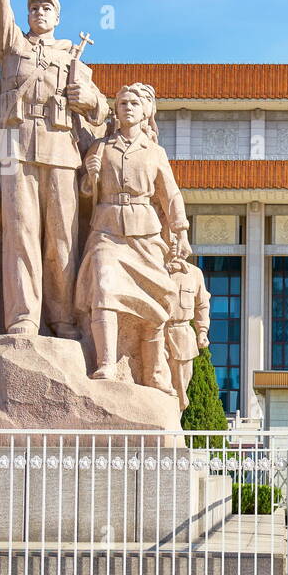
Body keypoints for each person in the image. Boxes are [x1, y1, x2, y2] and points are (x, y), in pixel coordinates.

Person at [0, 0, 108, 340]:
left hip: (60, 150)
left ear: (58, 17)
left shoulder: (72, 56)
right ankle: (24, 318)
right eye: (33, 8)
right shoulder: (12, 46)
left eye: (46, 8)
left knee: (63, 242)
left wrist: (88, 99)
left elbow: (102, 111)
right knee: (20, 236)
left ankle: (64, 320)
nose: (38, 13)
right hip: (16, 152)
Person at [76, 83, 190, 393]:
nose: (127, 107)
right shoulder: (100, 148)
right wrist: (91, 176)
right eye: (122, 102)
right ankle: (107, 362)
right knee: (103, 288)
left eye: (134, 103)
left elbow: (171, 194)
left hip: (145, 233)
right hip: (106, 230)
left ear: (146, 112)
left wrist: (180, 229)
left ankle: (154, 372)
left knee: (157, 301)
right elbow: (85, 197)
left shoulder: (154, 152)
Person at [165, 248, 211, 411]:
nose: (174, 245)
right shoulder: (153, 267)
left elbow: (202, 304)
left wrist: (202, 331)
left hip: (182, 333)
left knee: (181, 388)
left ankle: (174, 427)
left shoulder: (194, 274)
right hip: (156, 333)